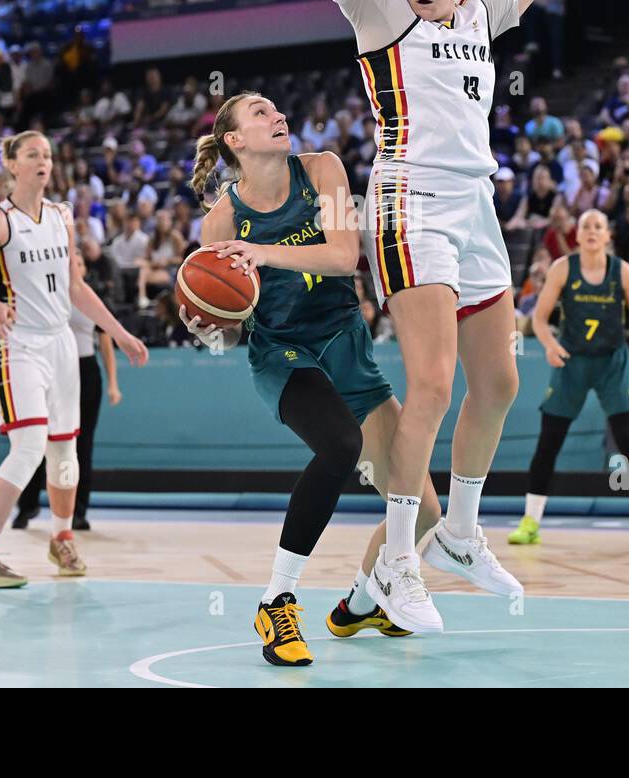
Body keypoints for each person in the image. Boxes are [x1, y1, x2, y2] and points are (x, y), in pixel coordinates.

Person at [228, 0, 603, 629]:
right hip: (408, 202)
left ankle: (462, 530)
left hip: (476, 209)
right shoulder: (381, 12)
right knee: (430, 383)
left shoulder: (481, 15)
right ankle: (399, 562)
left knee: (500, 382)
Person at [186, 93, 455, 663]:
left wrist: (263, 254)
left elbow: (342, 255)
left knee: (426, 508)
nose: (276, 115)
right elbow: (230, 324)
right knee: (339, 444)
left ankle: (362, 601)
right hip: (284, 355)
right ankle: (277, 600)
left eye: (277, 109)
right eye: (259, 113)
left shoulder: (323, 169)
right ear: (234, 140)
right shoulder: (221, 220)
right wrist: (207, 320)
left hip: (344, 343)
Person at [0, 131, 148, 589]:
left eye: (46, 154)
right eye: (32, 154)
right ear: (11, 164)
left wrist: (119, 331)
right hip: (17, 343)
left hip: (62, 342)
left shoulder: (62, 217)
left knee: (64, 451)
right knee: (28, 447)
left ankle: (62, 537)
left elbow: (76, 288)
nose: (43, 161)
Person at [509, 210, 629, 546]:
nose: (592, 231)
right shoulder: (563, 268)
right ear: (578, 235)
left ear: (608, 236)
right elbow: (541, 319)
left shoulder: (623, 271)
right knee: (549, 440)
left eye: (599, 227)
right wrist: (548, 345)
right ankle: (531, 521)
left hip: (611, 361)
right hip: (572, 359)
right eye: (586, 226)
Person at [12, 254, 122, 532]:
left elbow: (105, 341)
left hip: (85, 371)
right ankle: (28, 505)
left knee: (81, 445)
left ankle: (78, 511)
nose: (74, 265)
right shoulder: (50, 295)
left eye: (79, 262)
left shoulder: (92, 300)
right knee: (38, 440)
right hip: (52, 368)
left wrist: (113, 383)